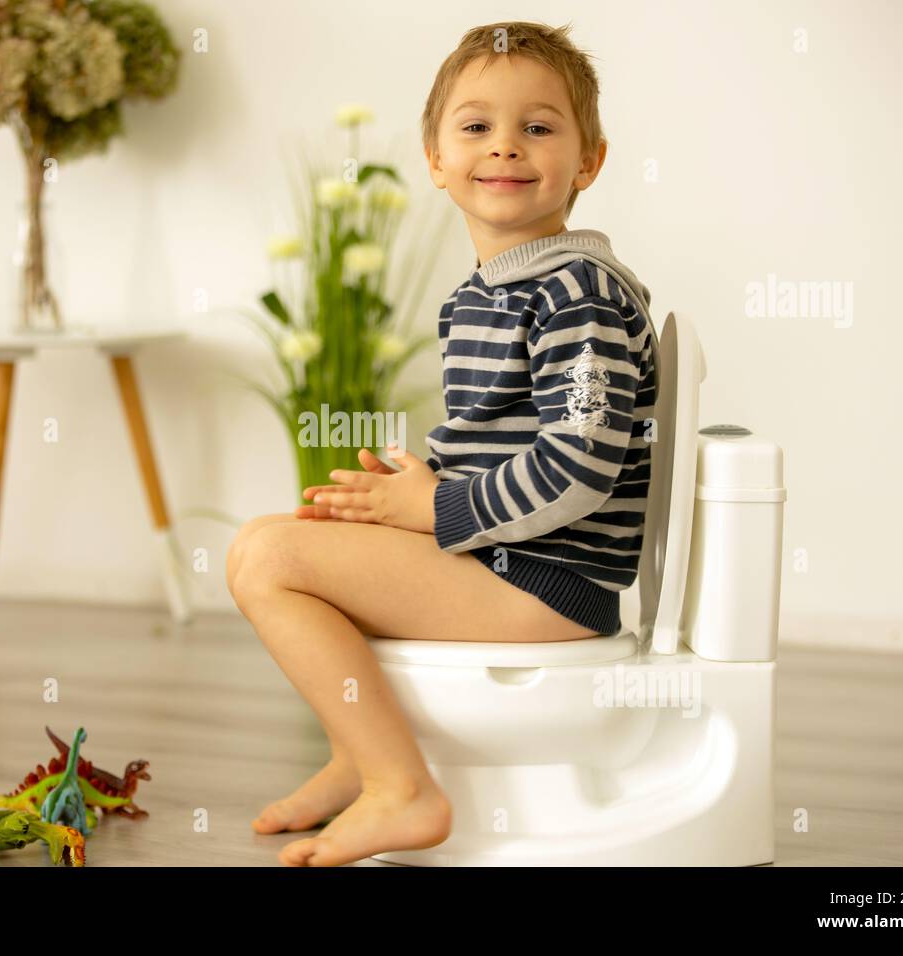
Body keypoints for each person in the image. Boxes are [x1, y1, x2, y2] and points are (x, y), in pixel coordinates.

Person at [227, 20, 658, 867]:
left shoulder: (580, 296)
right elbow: (509, 439)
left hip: (551, 583)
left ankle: (403, 787)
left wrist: (435, 506)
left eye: (538, 127)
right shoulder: (489, 291)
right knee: (302, 534)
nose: (505, 146)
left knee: (266, 559)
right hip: (518, 562)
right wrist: (421, 484)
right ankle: (360, 756)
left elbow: (575, 468)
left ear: (589, 161)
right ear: (434, 160)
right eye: (475, 127)